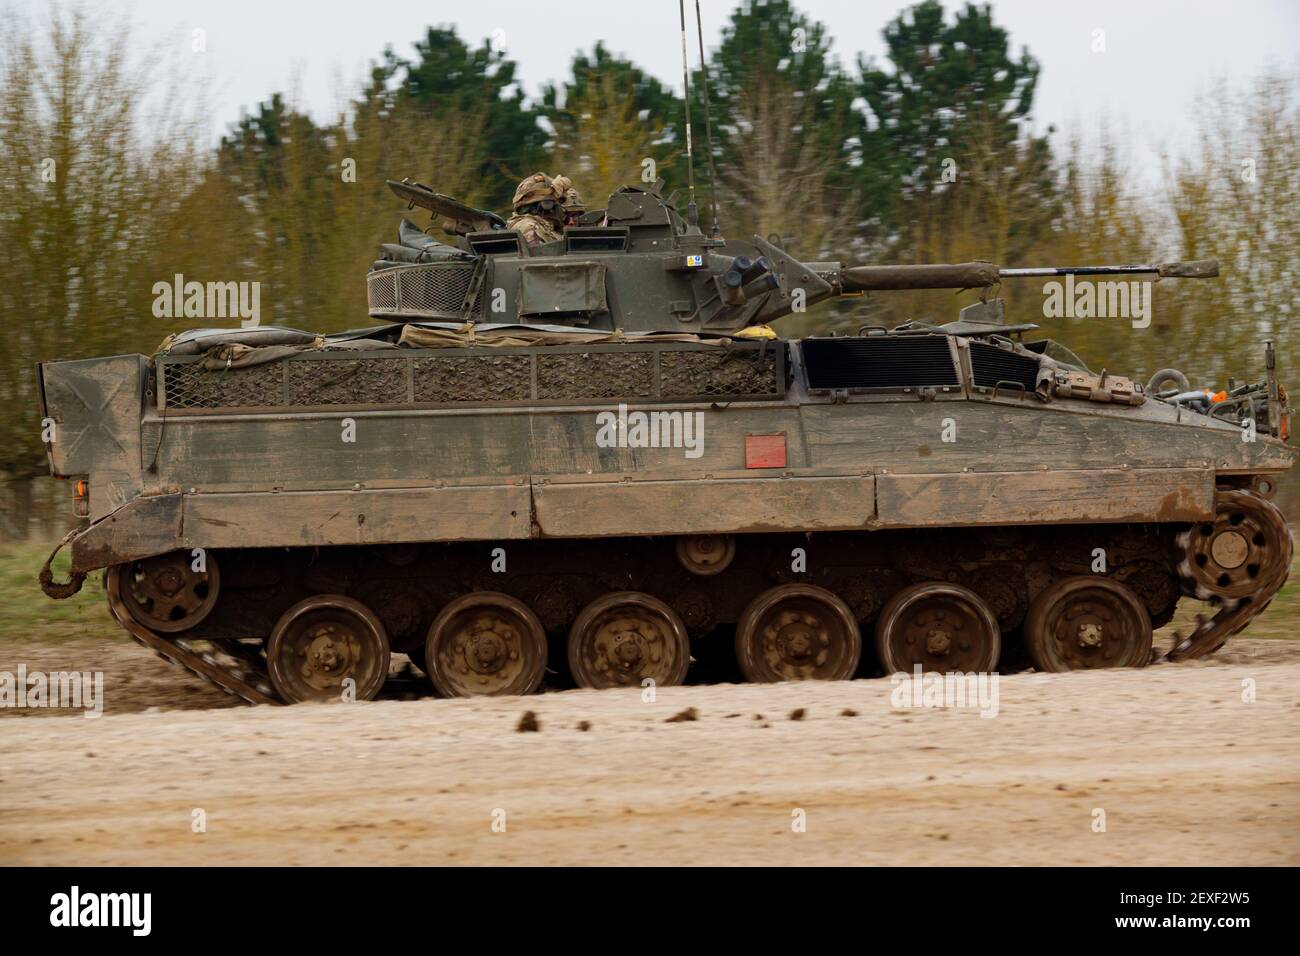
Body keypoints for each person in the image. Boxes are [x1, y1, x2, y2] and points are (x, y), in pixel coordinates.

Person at [505, 173, 565, 245]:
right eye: (557, 205)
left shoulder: (544, 227)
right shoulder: (529, 227)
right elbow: (541, 254)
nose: (561, 210)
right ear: (546, 206)